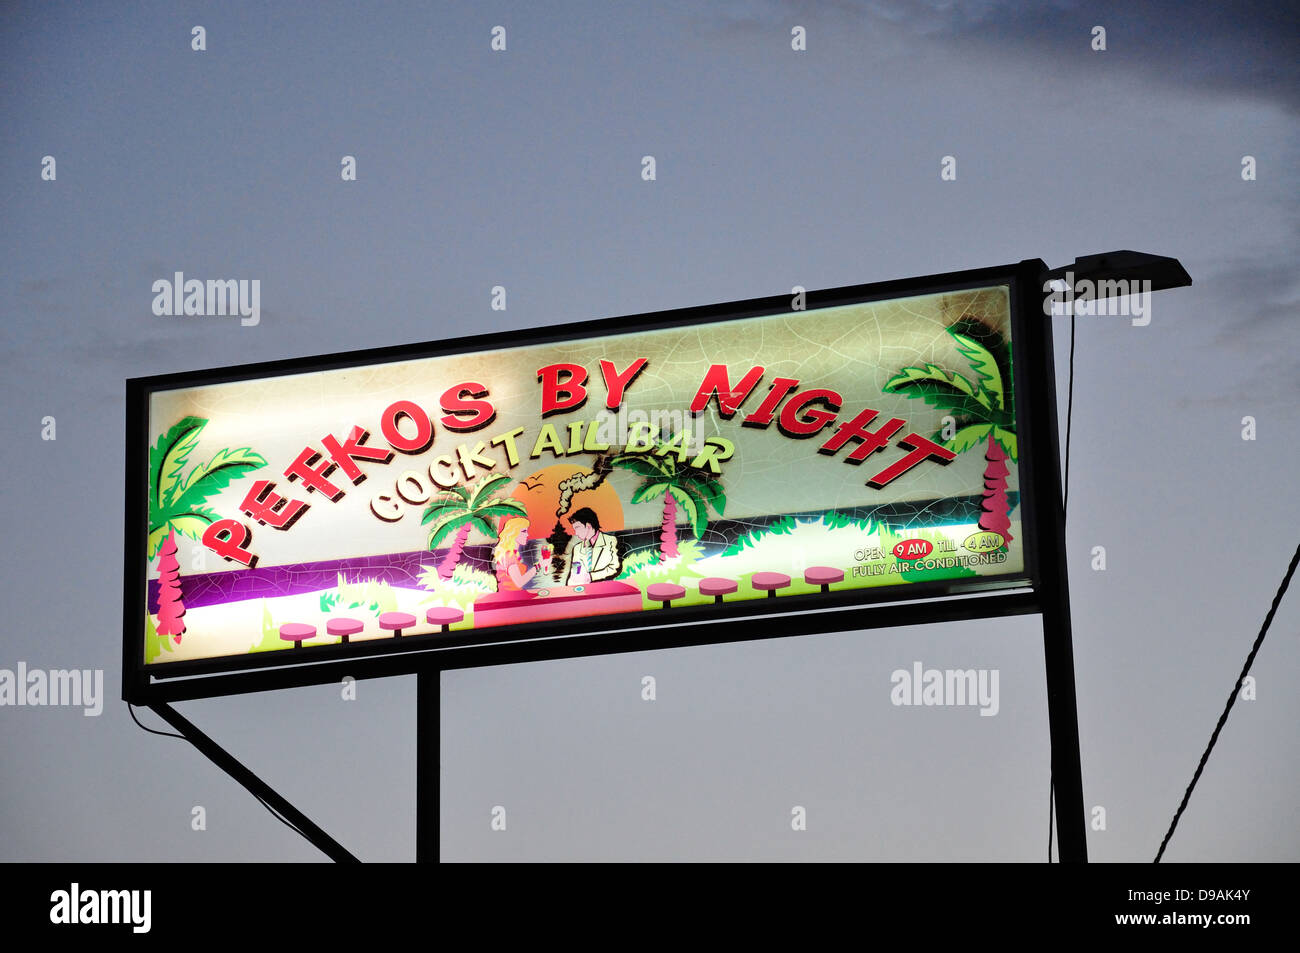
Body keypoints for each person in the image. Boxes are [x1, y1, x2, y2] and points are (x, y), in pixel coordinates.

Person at [562, 507, 621, 586]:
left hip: (607, 589)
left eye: (577, 528)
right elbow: (574, 574)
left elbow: (615, 568)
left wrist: (591, 576)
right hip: (584, 591)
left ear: (588, 526)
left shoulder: (611, 541)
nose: (576, 533)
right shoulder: (577, 548)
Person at [493, 516, 547, 591]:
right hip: (511, 596)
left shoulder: (511, 553)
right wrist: (539, 566)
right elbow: (519, 582)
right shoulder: (509, 555)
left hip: (513, 594)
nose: (527, 535)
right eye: (524, 531)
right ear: (513, 532)